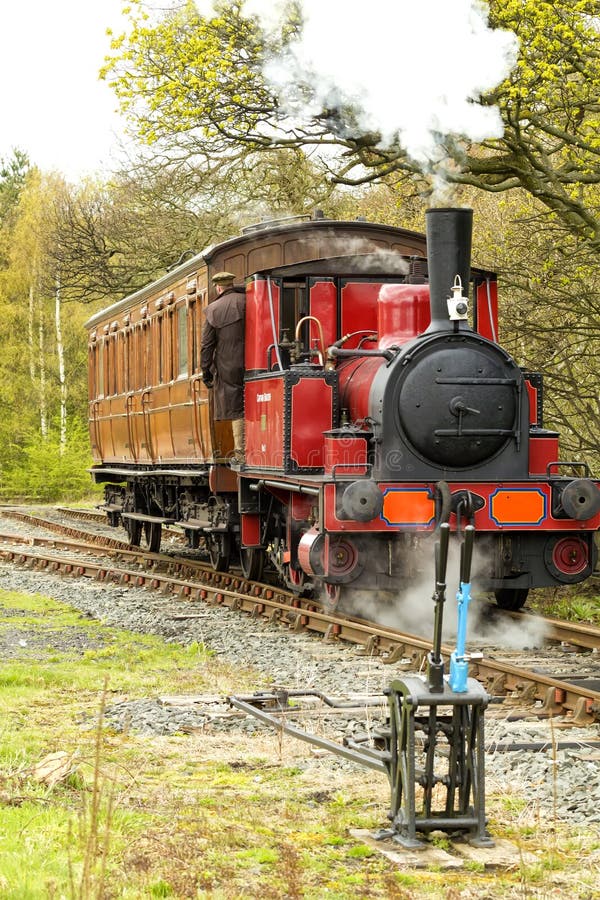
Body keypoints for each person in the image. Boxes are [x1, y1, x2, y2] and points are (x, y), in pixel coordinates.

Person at [200, 271, 246, 464]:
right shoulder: (248, 300)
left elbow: (207, 345)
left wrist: (206, 371)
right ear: (231, 283)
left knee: (237, 408)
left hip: (229, 365)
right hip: (259, 361)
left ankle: (241, 452)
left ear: (218, 287)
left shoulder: (213, 309)